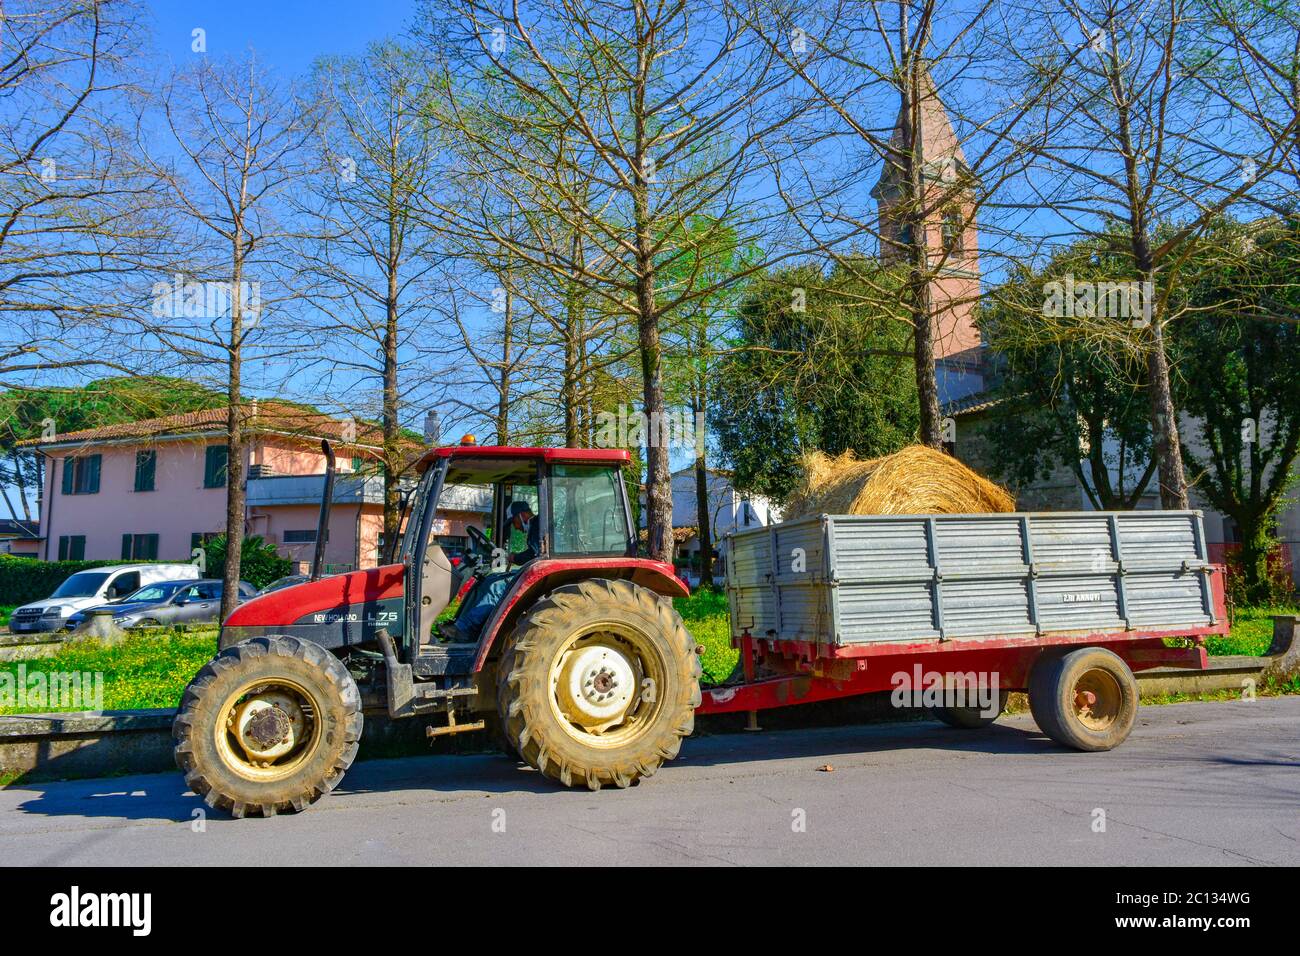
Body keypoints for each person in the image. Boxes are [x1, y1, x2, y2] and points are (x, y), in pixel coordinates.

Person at [443, 500, 538, 642]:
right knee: (490, 580)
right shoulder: (535, 524)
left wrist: (514, 557)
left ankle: (464, 628)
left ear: (521, 515)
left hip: (535, 571)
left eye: (514, 522)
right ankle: (463, 626)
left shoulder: (537, 524)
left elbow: (534, 553)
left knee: (496, 587)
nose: (515, 527)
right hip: (533, 568)